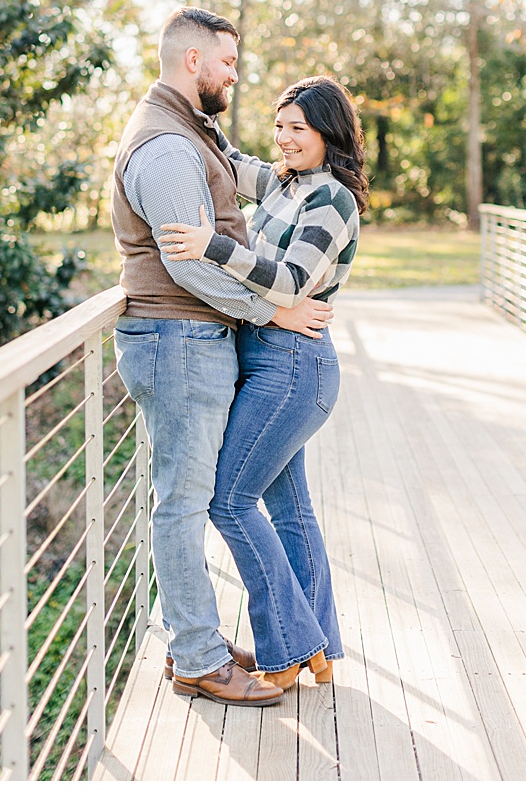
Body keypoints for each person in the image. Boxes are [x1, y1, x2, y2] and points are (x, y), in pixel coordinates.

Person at [110, 7, 333, 707]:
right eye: (228, 63)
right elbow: (191, 268)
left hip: (196, 344)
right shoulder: (169, 148)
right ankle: (200, 658)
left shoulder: (192, 133)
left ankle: (204, 644)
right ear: (192, 62)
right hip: (177, 342)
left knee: (209, 498)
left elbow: (257, 190)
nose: (235, 75)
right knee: (187, 503)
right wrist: (278, 310)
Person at [159, 76, 366, 689]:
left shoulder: (331, 200)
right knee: (288, 505)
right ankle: (318, 649)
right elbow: (233, 161)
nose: (284, 139)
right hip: (273, 362)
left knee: (228, 499)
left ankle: (286, 647)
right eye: (280, 126)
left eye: (298, 129)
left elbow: (290, 281)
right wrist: (194, 110)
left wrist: (212, 246)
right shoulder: (284, 182)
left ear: (329, 134)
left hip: (293, 367)